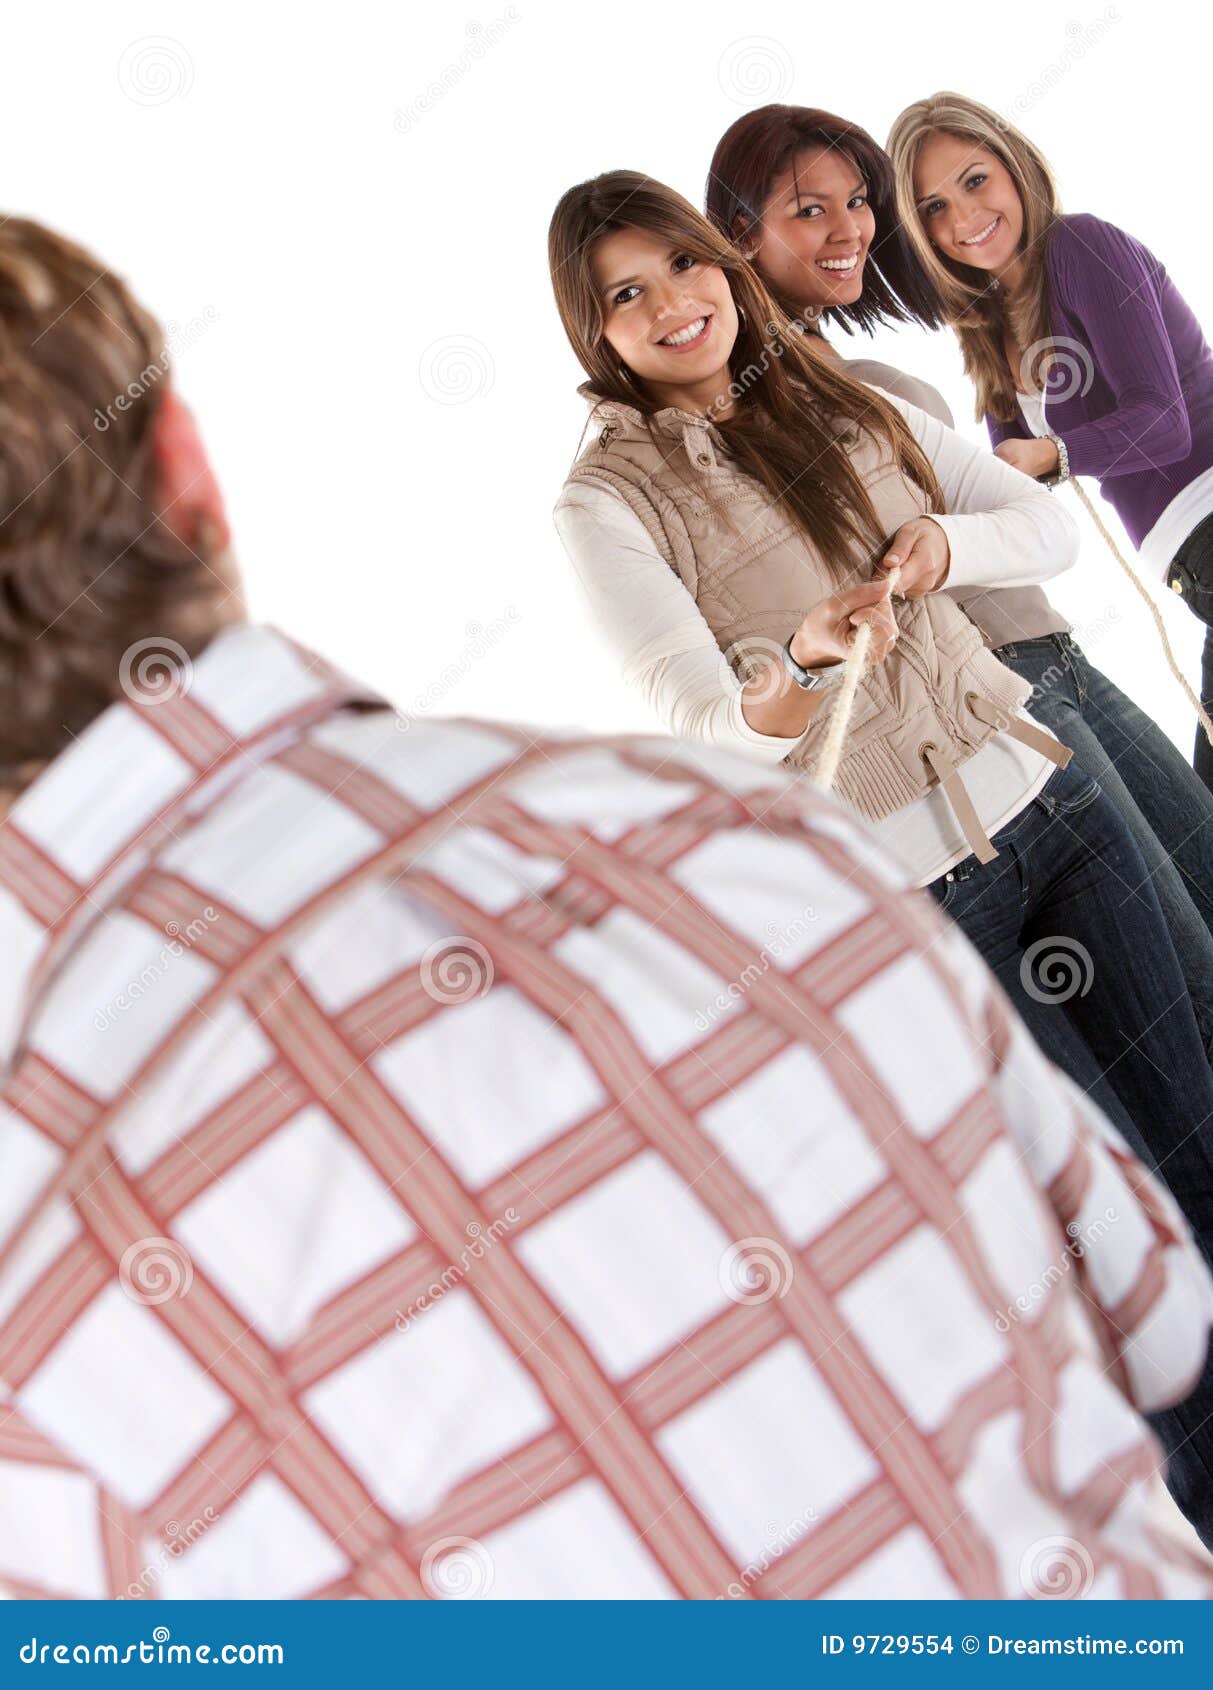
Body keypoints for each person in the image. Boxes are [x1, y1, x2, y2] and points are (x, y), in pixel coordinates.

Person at [1, 217, 1211, 1603]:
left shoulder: (31, 1282)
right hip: (915, 871)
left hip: (1033, 792)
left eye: (682, 267)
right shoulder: (719, 829)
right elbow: (1146, 1310)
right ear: (192, 469)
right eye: (622, 296)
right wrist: (800, 668)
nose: (668, 305)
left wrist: (937, 540)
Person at [705, 101, 1213, 1057]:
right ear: (739, 233)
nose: (851, 225)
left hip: (1052, 652)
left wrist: (1043, 462)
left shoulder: (1070, 259)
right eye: (809, 208)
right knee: (1185, 980)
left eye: (858, 202)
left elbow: (1039, 505)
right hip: (1007, 683)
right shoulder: (775, 386)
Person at [888, 90, 1213, 799]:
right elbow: (1007, 486)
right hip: (1193, 560)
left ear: (1014, 167)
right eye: (934, 208)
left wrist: (1052, 454)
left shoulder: (1080, 246)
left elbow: (1162, 421)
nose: (964, 217)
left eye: (973, 181)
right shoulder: (989, 332)